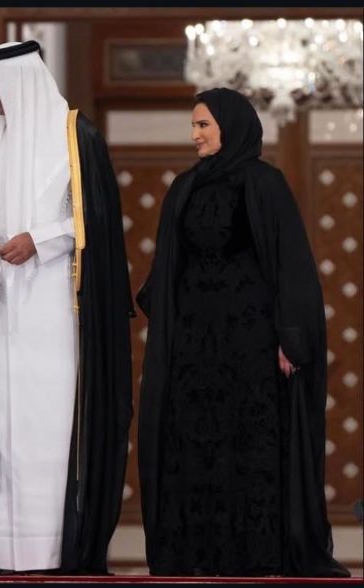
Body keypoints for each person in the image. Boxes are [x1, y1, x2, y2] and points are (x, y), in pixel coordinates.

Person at [0, 41, 134, 574]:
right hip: (0, 312)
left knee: (49, 428)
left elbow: (100, 221)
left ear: (22, 79)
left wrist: (40, 238)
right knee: (1, 426)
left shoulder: (76, 137)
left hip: (57, 313)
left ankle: (51, 549)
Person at [136, 87, 350, 578]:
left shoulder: (264, 184)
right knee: (192, 448)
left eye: (203, 125)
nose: (194, 135)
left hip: (249, 346)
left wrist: (290, 338)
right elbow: (170, 263)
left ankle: (256, 560)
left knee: (249, 450)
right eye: (192, 125)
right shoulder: (184, 187)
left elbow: (292, 266)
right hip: (192, 349)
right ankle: (195, 558)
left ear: (230, 127)